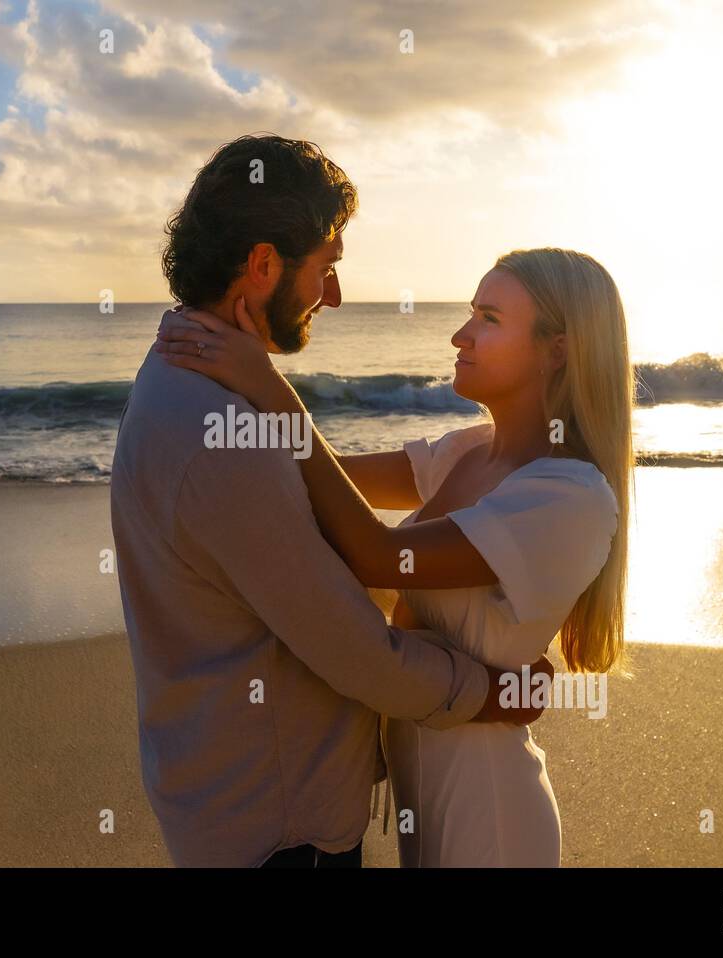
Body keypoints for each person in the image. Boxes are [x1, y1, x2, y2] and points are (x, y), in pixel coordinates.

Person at [110, 134, 552, 868]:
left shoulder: (176, 378)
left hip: (226, 800)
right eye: (328, 267)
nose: (336, 296)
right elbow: (354, 652)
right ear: (261, 265)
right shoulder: (223, 436)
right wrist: (490, 692)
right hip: (280, 831)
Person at [155, 246, 633, 866]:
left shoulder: (566, 496)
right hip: (425, 791)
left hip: (489, 812)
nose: (460, 334)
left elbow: (377, 555)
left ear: (558, 349)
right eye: (470, 313)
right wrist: (228, 414)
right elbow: (314, 481)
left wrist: (266, 386)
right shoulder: (468, 452)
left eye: (489, 319)